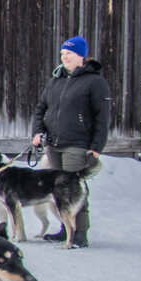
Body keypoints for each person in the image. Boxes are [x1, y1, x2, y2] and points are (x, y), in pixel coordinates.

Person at [30, 35, 112, 248]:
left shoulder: (94, 82)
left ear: (81, 56)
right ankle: (65, 229)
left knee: (74, 188)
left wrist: (96, 147)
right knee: (57, 191)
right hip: (54, 144)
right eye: (62, 54)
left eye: (69, 54)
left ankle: (80, 234)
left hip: (77, 144)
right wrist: (38, 132)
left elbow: (102, 117)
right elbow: (41, 109)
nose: (64, 57)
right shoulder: (55, 80)